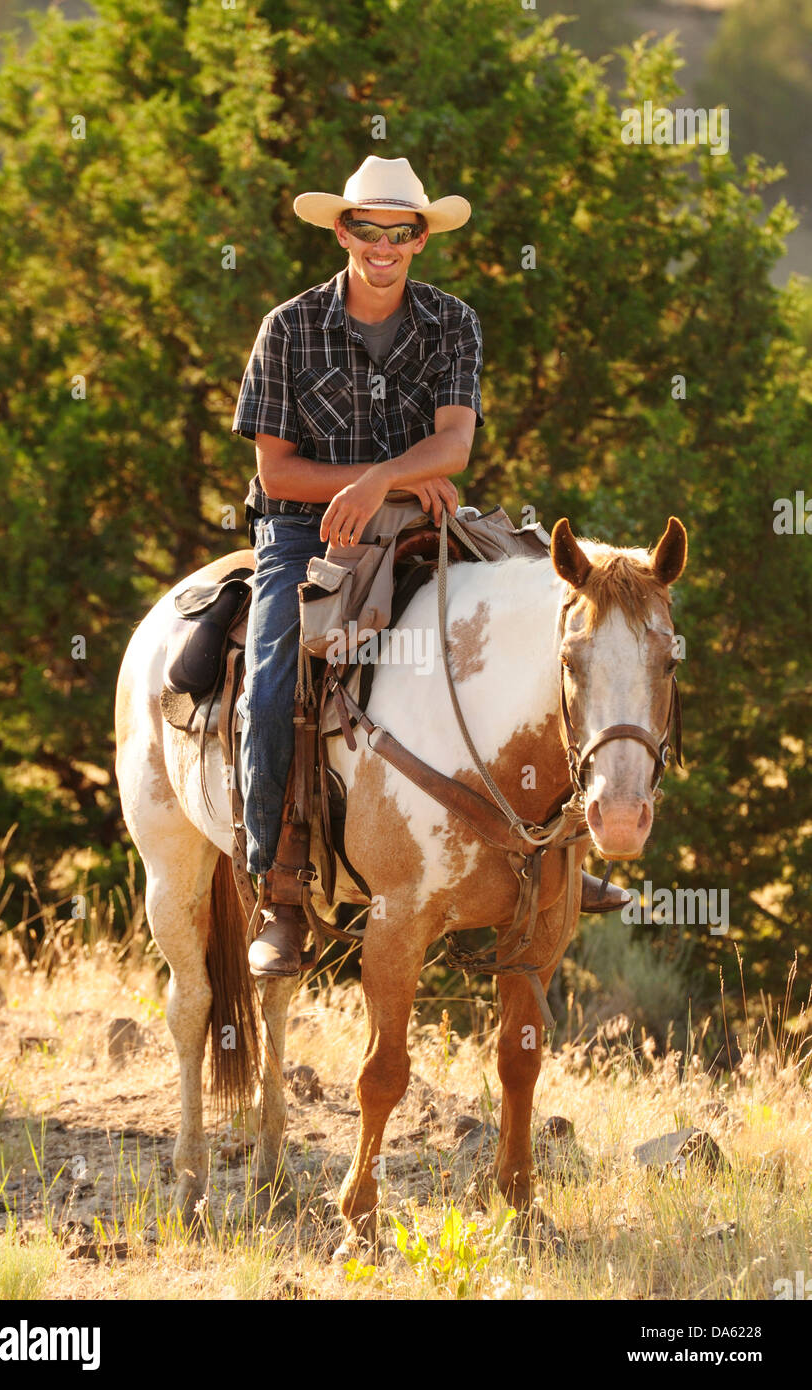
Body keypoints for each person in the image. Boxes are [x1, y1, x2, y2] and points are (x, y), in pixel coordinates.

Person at [232, 155, 627, 979]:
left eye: (401, 231)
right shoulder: (289, 326)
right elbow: (276, 475)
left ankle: (555, 849)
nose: (384, 244)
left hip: (421, 519)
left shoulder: (452, 322)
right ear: (341, 231)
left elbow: (457, 443)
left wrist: (386, 480)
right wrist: (387, 476)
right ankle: (279, 887)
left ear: (420, 239)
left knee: (541, 616)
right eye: (367, 228)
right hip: (304, 531)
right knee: (273, 680)